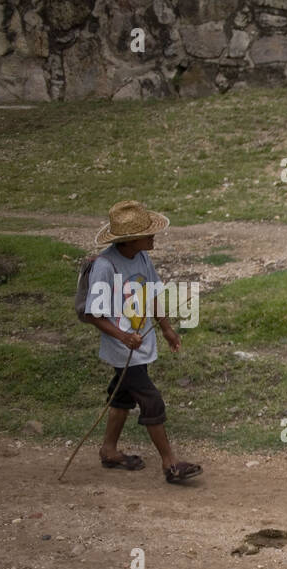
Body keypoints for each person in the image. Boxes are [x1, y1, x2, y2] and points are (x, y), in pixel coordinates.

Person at [81, 200, 202, 484]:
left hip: (140, 344)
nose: (153, 236)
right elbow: (93, 314)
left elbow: (153, 294)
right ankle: (170, 463)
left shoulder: (143, 258)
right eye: (148, 233)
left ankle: (109, 450)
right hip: (122, 347)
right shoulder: (105, 265)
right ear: (131, 239)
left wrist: (167, 329)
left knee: (122, 396)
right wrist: (123, 336)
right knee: (151, 400)